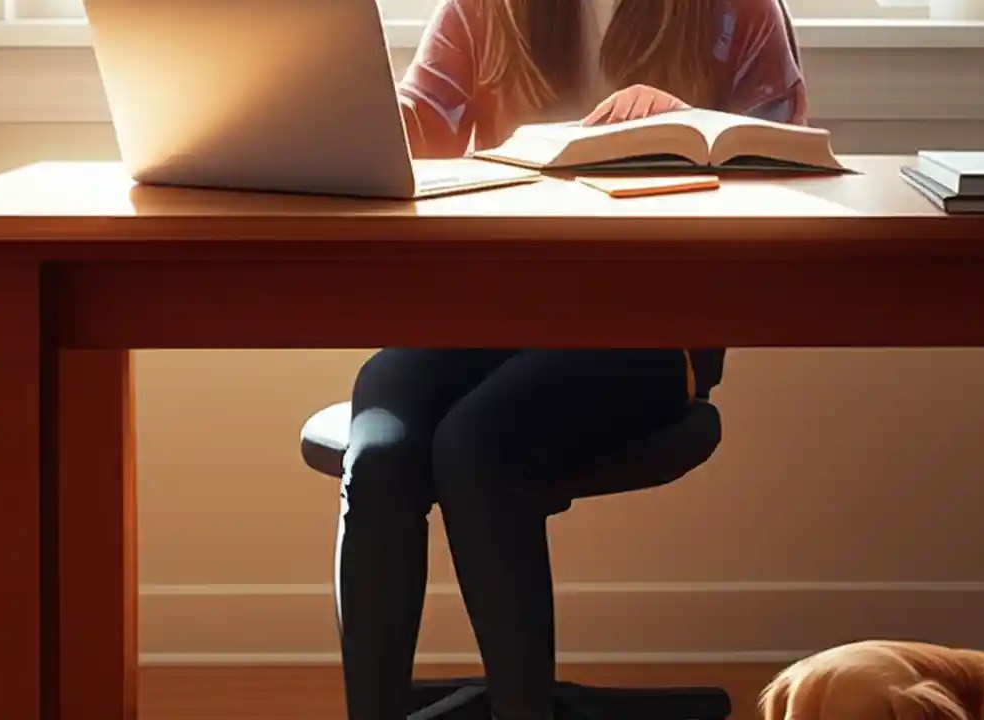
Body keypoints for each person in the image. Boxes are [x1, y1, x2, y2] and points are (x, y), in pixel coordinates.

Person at [335, 1, 808, 718]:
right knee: (378, 456)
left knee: (474, 442)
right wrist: (325, 108)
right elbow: (414, 131)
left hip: (645, 333)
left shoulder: (734, 11)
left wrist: (693, 128)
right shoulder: (485, 8)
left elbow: (791, 165)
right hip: (483, 316)